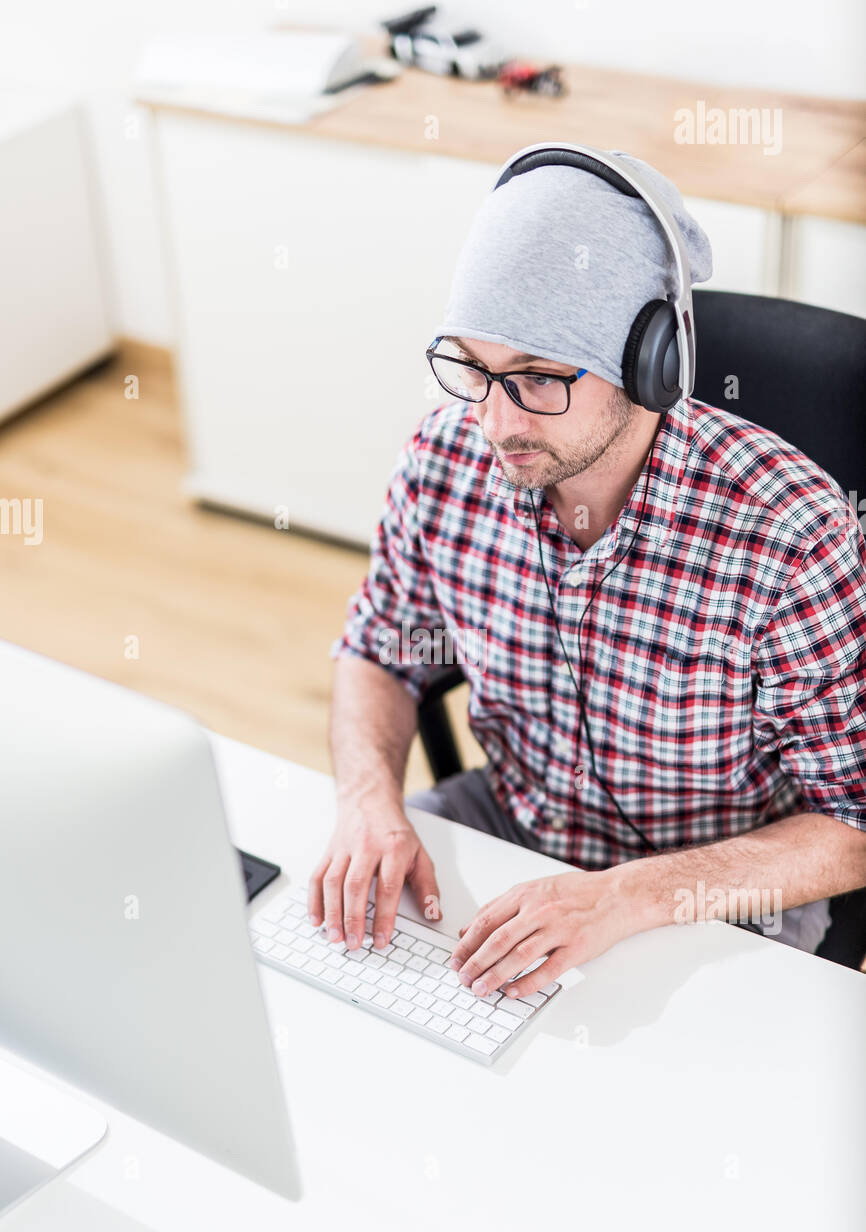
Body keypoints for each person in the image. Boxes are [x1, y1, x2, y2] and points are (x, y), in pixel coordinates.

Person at [312, 146, 866, 1003]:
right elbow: (380, 653)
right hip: (513, 824)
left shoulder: (790, 536)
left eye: (537, 379)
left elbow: (853, 824)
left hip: (717, 889)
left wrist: (626, 896)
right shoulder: (443, 458)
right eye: (475, 369)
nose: (494, 424)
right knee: (337, 985)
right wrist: (366, 801)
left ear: (650, 364)